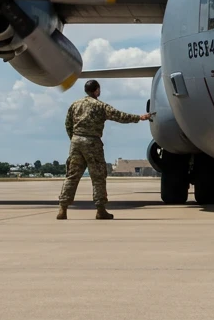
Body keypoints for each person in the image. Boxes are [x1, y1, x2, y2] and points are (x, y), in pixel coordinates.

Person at [57, 80, 151, 219]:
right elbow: (119, 116)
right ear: (96, 90)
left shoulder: (75, 105)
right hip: (92, 143)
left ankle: (62, 209)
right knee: (98, 177)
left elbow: (68, 124)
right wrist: (139, 117)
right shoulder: (100, 106)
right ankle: (100, 210)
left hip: (76, 142)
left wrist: (75, 139)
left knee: (72, 176)